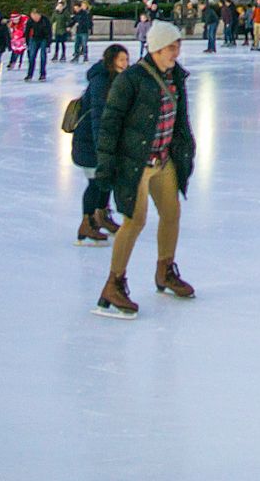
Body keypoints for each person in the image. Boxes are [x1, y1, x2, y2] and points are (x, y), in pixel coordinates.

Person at [93, 22, 196, 319]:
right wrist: (106, 162)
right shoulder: (132, 79)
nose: (176, 52)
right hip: (135, 162)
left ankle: (165, 270)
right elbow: (110, 122)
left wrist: (185, 149)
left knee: (171, 213)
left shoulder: (176, 76)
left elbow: (180, 121)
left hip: (163, 161)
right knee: (134, 221)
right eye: (170, 47)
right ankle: (113, 284)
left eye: (178, 46)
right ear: (156, 49)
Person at [74, 43, 129, 245]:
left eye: (126, 60)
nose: (125, 64)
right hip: (89, 143)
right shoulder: (100, 82)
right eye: (121, 60)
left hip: (104, 141)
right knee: (95, 183)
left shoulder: (116, 79)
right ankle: (87, 223)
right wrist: (101, 147)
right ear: (111, 60)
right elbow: (98, 117)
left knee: (106, 180)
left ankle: (101, 217)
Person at [24, 8, 52, 81]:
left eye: (36, 16)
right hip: (34, 39)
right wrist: (27, 43)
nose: (34, 17)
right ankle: (30, 74)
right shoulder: (30, 21)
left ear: (39, 15)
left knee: (43, 57)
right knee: (32, 57)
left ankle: (42, 74)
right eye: (32, 16)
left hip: (44, 39)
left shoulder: (45, 20)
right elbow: (27, 32)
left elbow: (49, 32)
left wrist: (48, 44)